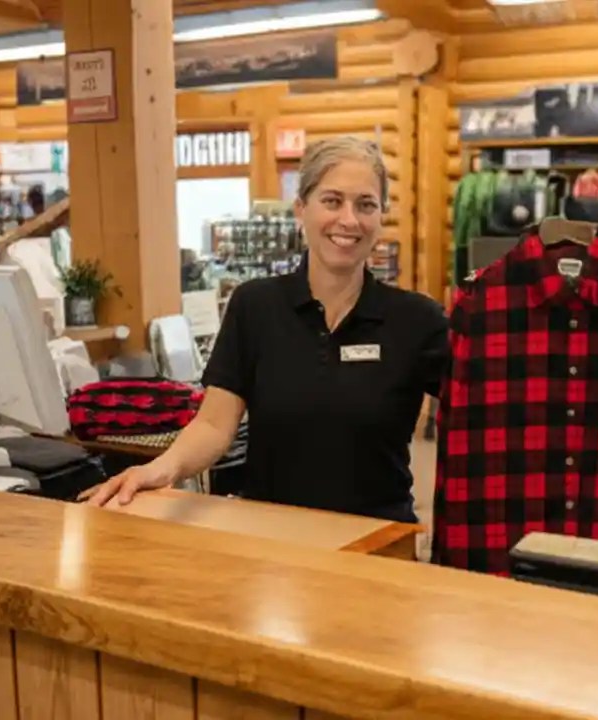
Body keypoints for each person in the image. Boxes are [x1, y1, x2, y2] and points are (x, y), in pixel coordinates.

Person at [81, 137, 449, 522]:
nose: (349, 220)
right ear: (301, 209)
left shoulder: (417, 320)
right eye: (332, 201)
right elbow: (213, 424)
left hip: (377, 540)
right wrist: (159, 469)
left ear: (380, 217)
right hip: (272, 540)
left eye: (366, 205)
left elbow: (483, 412)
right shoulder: (255, 306)